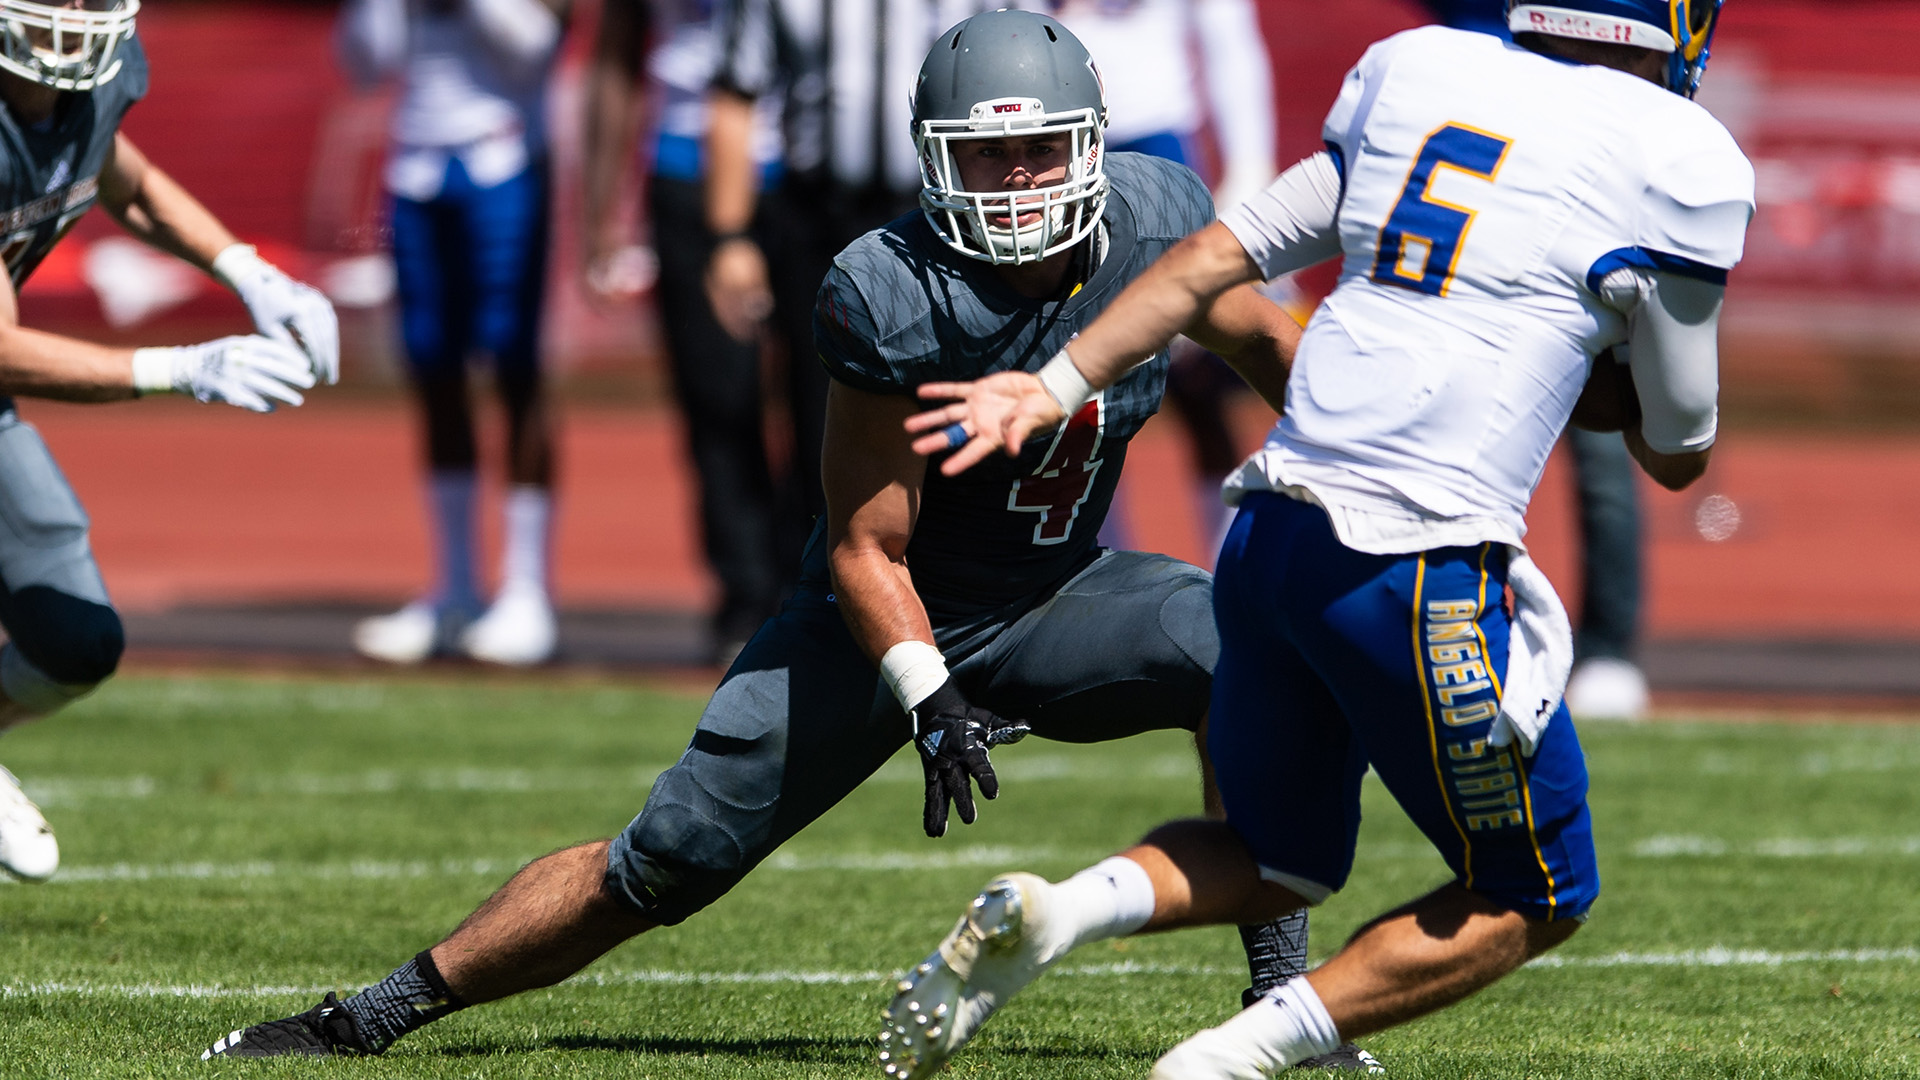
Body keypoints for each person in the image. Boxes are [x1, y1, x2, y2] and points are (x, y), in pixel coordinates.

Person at [199, 14, 1369, 1068]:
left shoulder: (1157, 217)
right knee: (664, 860)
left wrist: (1367, 469)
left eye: (1041, 151)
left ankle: (1281, 1009)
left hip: (1062, 590)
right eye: (986, 156)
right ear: (933, 161)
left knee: (1248, 658)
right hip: (882, 621)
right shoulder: (887, 290)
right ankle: (371, 1016)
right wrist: (928, 693)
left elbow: (1266, 344)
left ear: (1094, 145)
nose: (1017, 182)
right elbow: (867, 547)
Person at [884, 1, 1749, 1077]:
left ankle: (1060, 912)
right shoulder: (1681, 154)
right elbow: (1678, 448)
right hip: (1418, 554)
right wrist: (1589, 354)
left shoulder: (1421, 70)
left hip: (1271, 532)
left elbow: (1205, 263)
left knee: (1275, 857)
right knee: (1538, 889)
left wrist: (1051, 385)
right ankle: (1231, 1060)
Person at [0, 0, 336, 883]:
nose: (73, 15)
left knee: (74, 641)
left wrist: (246, 269)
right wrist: (177, 367)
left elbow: (126, 178)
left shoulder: (89, 91)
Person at [1415, 0, 1652, 720]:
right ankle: (1429, 622)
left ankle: (1608, 648)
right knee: (1432, 421)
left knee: (1602, 436)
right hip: (1467, 202)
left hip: (1572, 189)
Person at [340, 0, 570, 668]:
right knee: (433, 371)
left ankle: (527, 591)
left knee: (514, 369)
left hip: (504, 157)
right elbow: (363, 63)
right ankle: (456, 587)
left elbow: (537, 46)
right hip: (415, 166)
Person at [583, 0, 796, 664]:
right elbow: (616, 52)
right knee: (717, 398)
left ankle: (816, 590)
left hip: (805, 171)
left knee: (829, 396)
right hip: (685, 168)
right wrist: (601, 213)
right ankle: (745, 598)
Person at [1039, 0, 1279, 555]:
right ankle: (1093, 562)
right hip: (1054, 149)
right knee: (1070, 372)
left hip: (1157, 147)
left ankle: (1226, 565)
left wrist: (1249, 172)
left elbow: (1229, 41)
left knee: (1198, 372)